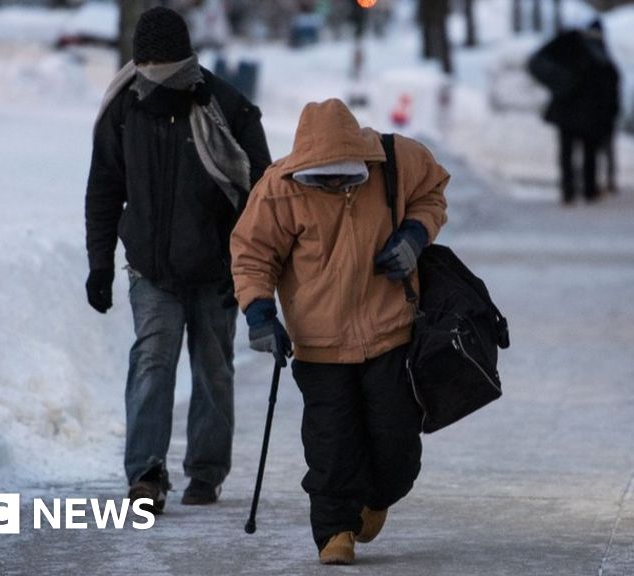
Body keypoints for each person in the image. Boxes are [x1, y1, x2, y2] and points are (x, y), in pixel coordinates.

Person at [230, 98, 449, 565]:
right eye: (322, 177)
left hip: (390, 334)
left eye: (344, 175)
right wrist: (259, 313)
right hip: (318, 344)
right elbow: (252, 254)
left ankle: (377, 497)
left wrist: (414, 234)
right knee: (331, 446)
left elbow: (433, 193)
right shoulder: (278, 188)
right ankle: (335, 532)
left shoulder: (397, 161)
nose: (333, 184)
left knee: (397, 448)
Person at [84, 6, 271, 513]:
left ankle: (205, 475)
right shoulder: (125, 107)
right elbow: (104, 187)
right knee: (151, 362)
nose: (154, 76)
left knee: (213, 370)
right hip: (152, 268)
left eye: (163, 65)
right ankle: (145, 474)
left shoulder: (226, 107)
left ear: (184, 58)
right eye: (147, 65)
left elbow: (263, 194)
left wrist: (249, 266)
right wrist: (100, 264)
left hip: (216, 271)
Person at [528, 19, 620, 204]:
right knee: (584, 152)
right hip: (579, 111)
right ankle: (584, 191)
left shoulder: (578, 46)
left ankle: (572, 191)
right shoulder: (582, 47)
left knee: (574, 152)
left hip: (572, 110)